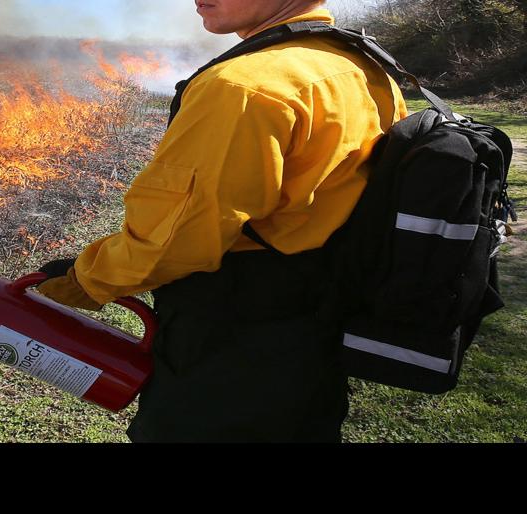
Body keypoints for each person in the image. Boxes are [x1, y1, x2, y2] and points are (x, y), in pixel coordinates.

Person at [36, 0, 406, 442]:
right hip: (316, 327)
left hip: (237, 337)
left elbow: (176, 238)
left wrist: (86, 279)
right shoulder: (360, 67)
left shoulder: (243, 86)